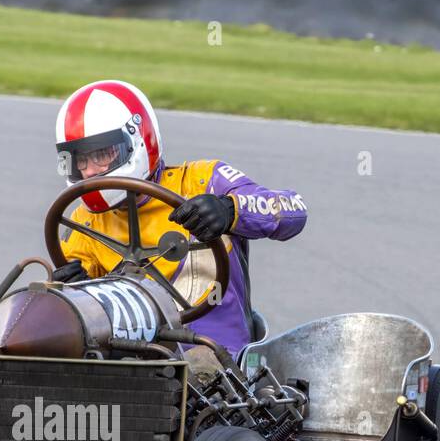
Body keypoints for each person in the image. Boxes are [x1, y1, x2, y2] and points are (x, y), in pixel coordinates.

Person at [53, 80, 307, 356]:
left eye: (101, 154)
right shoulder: (83, 223)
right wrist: (76, 290)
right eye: (80, 160)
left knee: (199, 367)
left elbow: (292, 210)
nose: (89, 172)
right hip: (131, 357)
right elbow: (82, 318)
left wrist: (230, 210)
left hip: (217, 359)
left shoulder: (203, 181)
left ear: (138, 140)